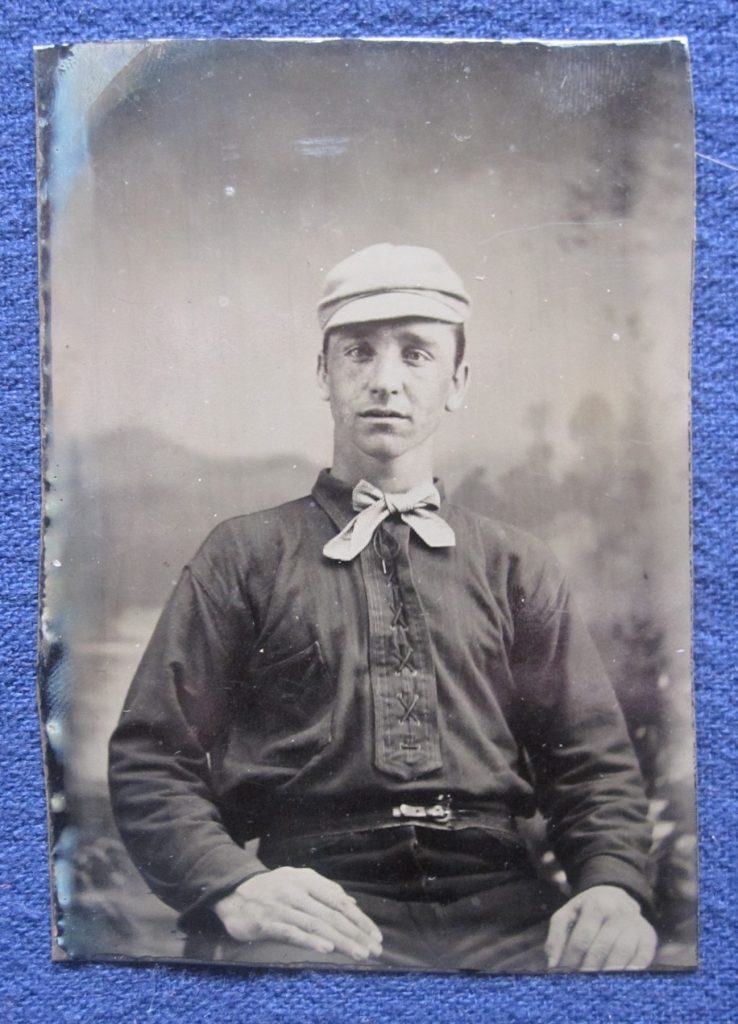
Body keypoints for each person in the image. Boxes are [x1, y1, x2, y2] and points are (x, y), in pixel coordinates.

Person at [108, 243, 657, 972]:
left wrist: (613, 887)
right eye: (358, 354)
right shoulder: (244, 554)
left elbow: (592, 767)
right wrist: (235, 886)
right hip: (315, 899)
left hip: (499, 900)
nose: (385, 382)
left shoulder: (515, 565)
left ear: (458, 381)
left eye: (416, 355)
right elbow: (153, 756)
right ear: (323, 374)